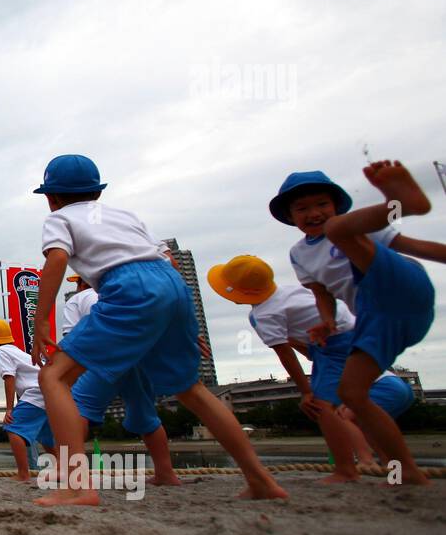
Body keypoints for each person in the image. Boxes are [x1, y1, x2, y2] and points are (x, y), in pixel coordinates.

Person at [30, 154, 286, 505]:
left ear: (51, 197)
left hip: (126, 286)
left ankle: (77, 487)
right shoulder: (126, 216)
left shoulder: (58, 218)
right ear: (97, 193)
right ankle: (261, 480)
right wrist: (182, 320)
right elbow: (167, 259)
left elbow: (56, 258)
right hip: (171, 287)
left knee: (54, 378)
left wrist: (41, 319)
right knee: (192, 389)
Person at [274, 162, 443, 485]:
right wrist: (326, 323)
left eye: (321, 204)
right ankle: (407, 469)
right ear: (290, 217)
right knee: (352, 393)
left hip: (401, 286)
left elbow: (415, 248)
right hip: (378, 317)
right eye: (302, 208)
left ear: (336, 204)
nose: (313, 213)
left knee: (339, 229)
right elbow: (323, 294)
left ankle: (405, 204)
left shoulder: (352, 227)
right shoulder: (299, 254)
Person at [207, 254, 374, 483]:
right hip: (356, 331)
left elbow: (285, 353)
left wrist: (305, 391)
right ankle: (372, 460)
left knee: (322, 406)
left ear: (240, 294)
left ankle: (346, 469)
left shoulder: (264, 314)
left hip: (336, 343)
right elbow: (298, 336)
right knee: (347, 403)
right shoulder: (289, 292)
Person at [65, 274, 184, 487]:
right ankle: (166, 474)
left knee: (76, 409)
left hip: (105, 356)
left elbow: (72, 337)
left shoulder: (79, 298)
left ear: (83, 283)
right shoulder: (127, 298)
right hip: (140, 357)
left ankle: (74, 475)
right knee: (146, 416)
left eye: (77, 282)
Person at [0, 319, 52, 480]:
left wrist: (9, 408)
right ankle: (65, 470)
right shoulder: (17, 351)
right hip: (50, 392)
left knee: (13, 427)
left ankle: (23, 474)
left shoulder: (0, 352)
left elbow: (9, 378)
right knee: (46, 435)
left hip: (36, 393)